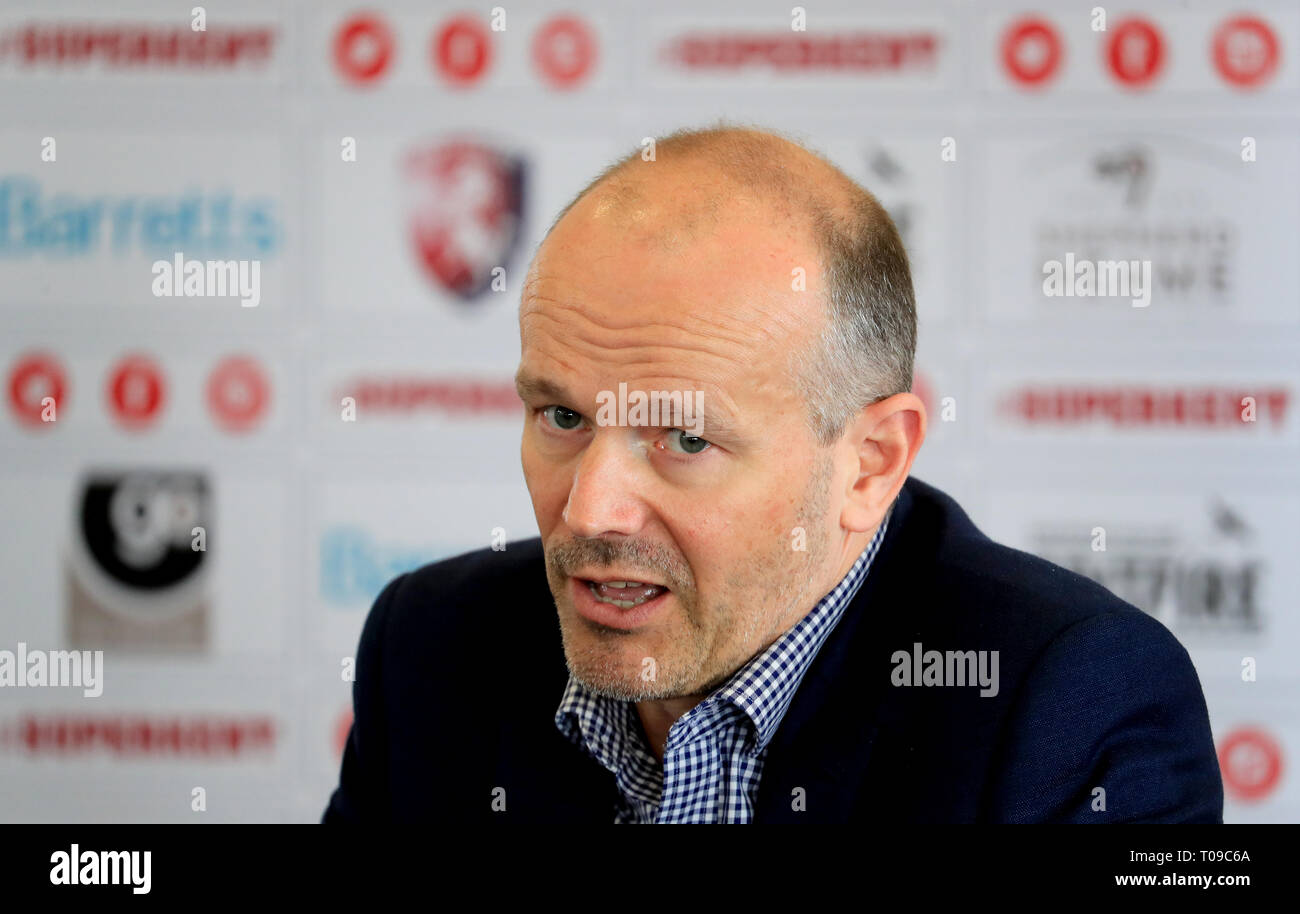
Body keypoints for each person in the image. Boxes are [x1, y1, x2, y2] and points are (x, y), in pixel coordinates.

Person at [323, 125, 1223, 823]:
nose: (590, 508)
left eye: (683, 441)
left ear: (870, 466)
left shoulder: (1071, 703)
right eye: (562, 417)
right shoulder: (432, 646)